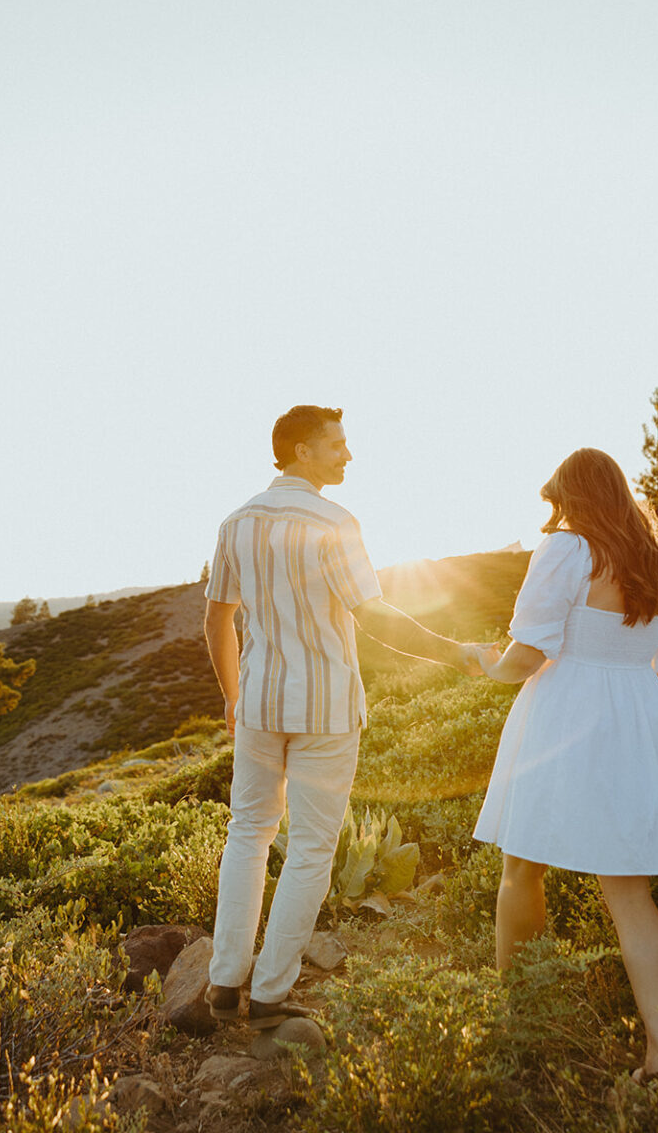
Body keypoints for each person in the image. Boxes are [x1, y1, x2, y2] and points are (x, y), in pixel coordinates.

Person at [203, 404, 479, 1028]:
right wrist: (454, 652)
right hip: (324, 706)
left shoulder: (236, 521)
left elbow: (217, 617)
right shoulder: (334, 521)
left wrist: (230, 695)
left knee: (248, 835)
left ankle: (224, 983)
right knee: (310, 848)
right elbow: (373, 614)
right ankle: (270, 994)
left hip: (258, 705)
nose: (348, 455)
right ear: (301, 450)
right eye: (337, 444)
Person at [471, 447, 658, 1097]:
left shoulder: (565, 549)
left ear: (572, 498)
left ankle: (519, 1020)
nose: (552, 515)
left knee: (522, 868)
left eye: (556, 502)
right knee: (631, 896)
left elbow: (528, 655)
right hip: (637, 724)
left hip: (560, 717)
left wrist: (485, 663)